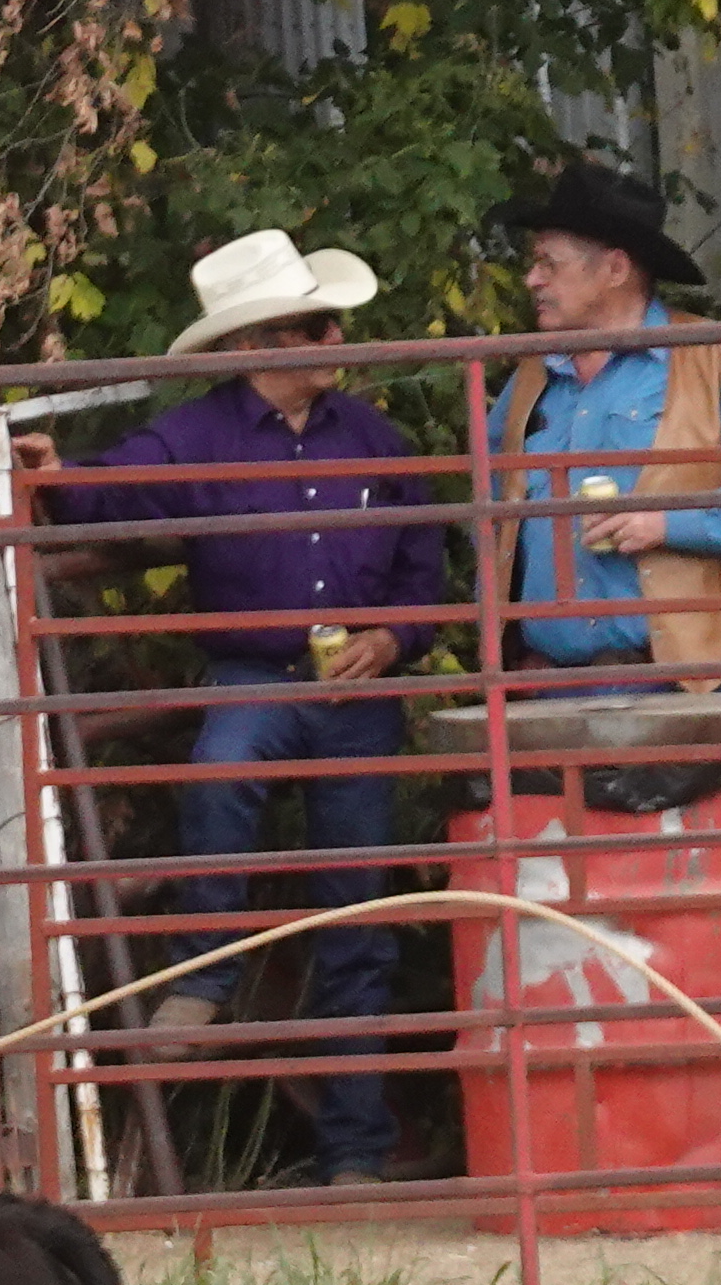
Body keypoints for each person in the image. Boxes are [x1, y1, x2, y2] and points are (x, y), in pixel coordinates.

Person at [24, 236, 451, 1181]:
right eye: (315, 325)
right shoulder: (196, 436)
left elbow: (424, 576)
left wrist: (392, 638)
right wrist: (53, 475)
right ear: (259, 343)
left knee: (357, 914)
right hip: (256, 672)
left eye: (329, 323)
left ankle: (353, 1149)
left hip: (355, 688)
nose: (336, 338)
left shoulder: (376, 442)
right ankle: (208, 969)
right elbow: (105, 490)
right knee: (223, 774)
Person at [485, 160, 721, 679]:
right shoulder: (528, 379)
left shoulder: (717, 361)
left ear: (615, 269)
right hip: (554, 679)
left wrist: (668, 524)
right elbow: (491, 509)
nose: (531, 279)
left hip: (698, 684)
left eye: (549, 264)